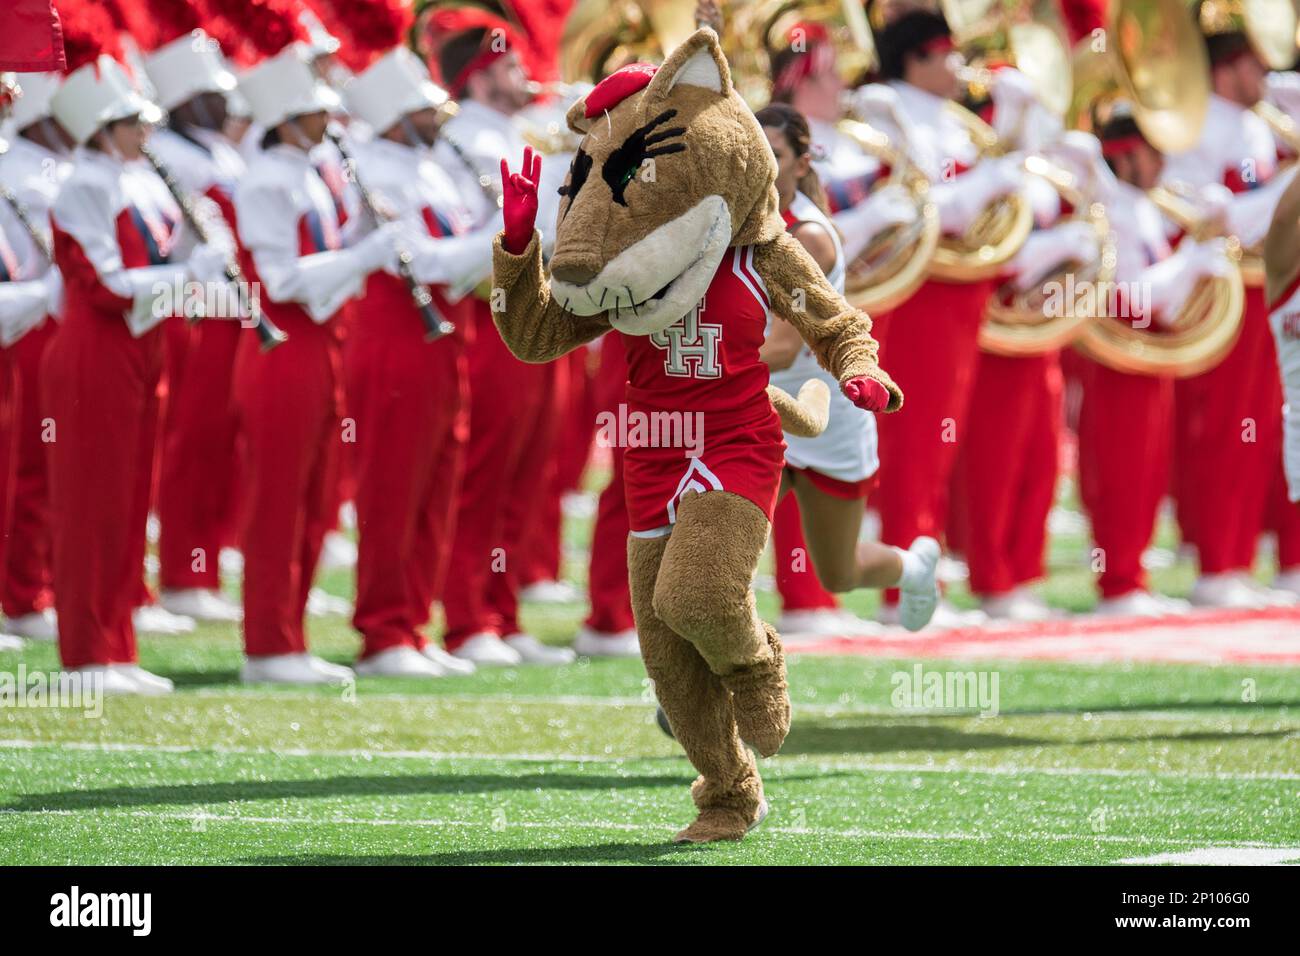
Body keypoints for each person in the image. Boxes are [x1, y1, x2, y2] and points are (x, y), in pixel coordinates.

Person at [44, 46, 233, 694]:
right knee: (91, 502)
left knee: (128, 501)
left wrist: (198, 247)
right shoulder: (83, 183)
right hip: (96, 351)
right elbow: (106, 287)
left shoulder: (143, 180)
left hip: (142, 348)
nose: (145, 133)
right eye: (133, 124)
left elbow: (158, 265)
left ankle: (117, 646)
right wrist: (187, 272)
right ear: (102, 128)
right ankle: (87, 655)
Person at [232, 41, 402, 684]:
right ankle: (267, 645)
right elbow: (279, 281)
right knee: (277, 501)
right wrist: (366, 254)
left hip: (320, 345)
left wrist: (363, 234)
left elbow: (327, 269)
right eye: (315, 114)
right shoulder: (266, 178)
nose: (328, 123)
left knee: (309, 497)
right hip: (282, 353)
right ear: (286, 119)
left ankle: (290, 637)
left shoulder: (311, 170)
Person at [850, 7, 1026, 627]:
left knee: (939, 447)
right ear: (916, 59)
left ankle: (924, 581)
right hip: (922, 294)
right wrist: (993, 182)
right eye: (945, 53)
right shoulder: (886, 106)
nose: (958, 65)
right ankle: (905, 591)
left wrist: (1019, 127)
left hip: (960, 295)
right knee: (918, 444)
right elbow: (931, 206)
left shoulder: (946, 116)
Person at [342, 44, 497, 677]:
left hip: (444, 339)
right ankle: (383, 630)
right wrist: (505, 239)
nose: (439, 120)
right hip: (396, 341)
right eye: (424, 111)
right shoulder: (375, 168)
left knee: (437, 486)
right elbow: (424, 262)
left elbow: (453, 260)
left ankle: (413, 620)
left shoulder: (433, 167)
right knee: (395, 487)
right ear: (396, 116)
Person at [756, 102, 939, 634]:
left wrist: (693, 370)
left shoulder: (807, 236)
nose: (763, 166)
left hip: (827, 417)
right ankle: (701, 689)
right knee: (721, 555)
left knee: (838, 572)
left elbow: (783, 349)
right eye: (754, 152)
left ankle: (913, 567)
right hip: (761, 414)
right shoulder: (730, 221)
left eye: (776, 154)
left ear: (802, 161)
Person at [431, 25, 574, 665]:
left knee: (528, 470)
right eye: (512, 66)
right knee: (488, 471)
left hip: (542, 308)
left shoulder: (521, 132)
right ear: (481, 77)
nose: (527, 75)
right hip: (495, 315)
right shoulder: (462, 140)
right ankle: (468, 618)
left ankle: (503, 610)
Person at [1161, 1, 1300, 606]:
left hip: (1269, 282)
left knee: (1272, 428)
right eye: (1254, 67)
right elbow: (1207, 216)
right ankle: (1219, 565)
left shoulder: (1254, 123)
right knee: (1230, 431)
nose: (1266, 79)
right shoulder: (1197, 125)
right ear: (1225, 70)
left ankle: (1268, 558)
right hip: (1229, 290)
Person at [144, 25, 248, 624]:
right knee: (192, 441)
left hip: (232, 310)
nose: (225, 104)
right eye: (211, 94)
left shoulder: (218, 150)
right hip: (196, 312)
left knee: (221, 441)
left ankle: (205, 561)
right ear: (184, 100)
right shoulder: (175, 155)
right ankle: (183, 572)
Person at [0, 70, 68, 643]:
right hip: (26, 317)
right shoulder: (18, 167)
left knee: (34, 468)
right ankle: (21, 592)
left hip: (28, 322)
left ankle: (29, 590)